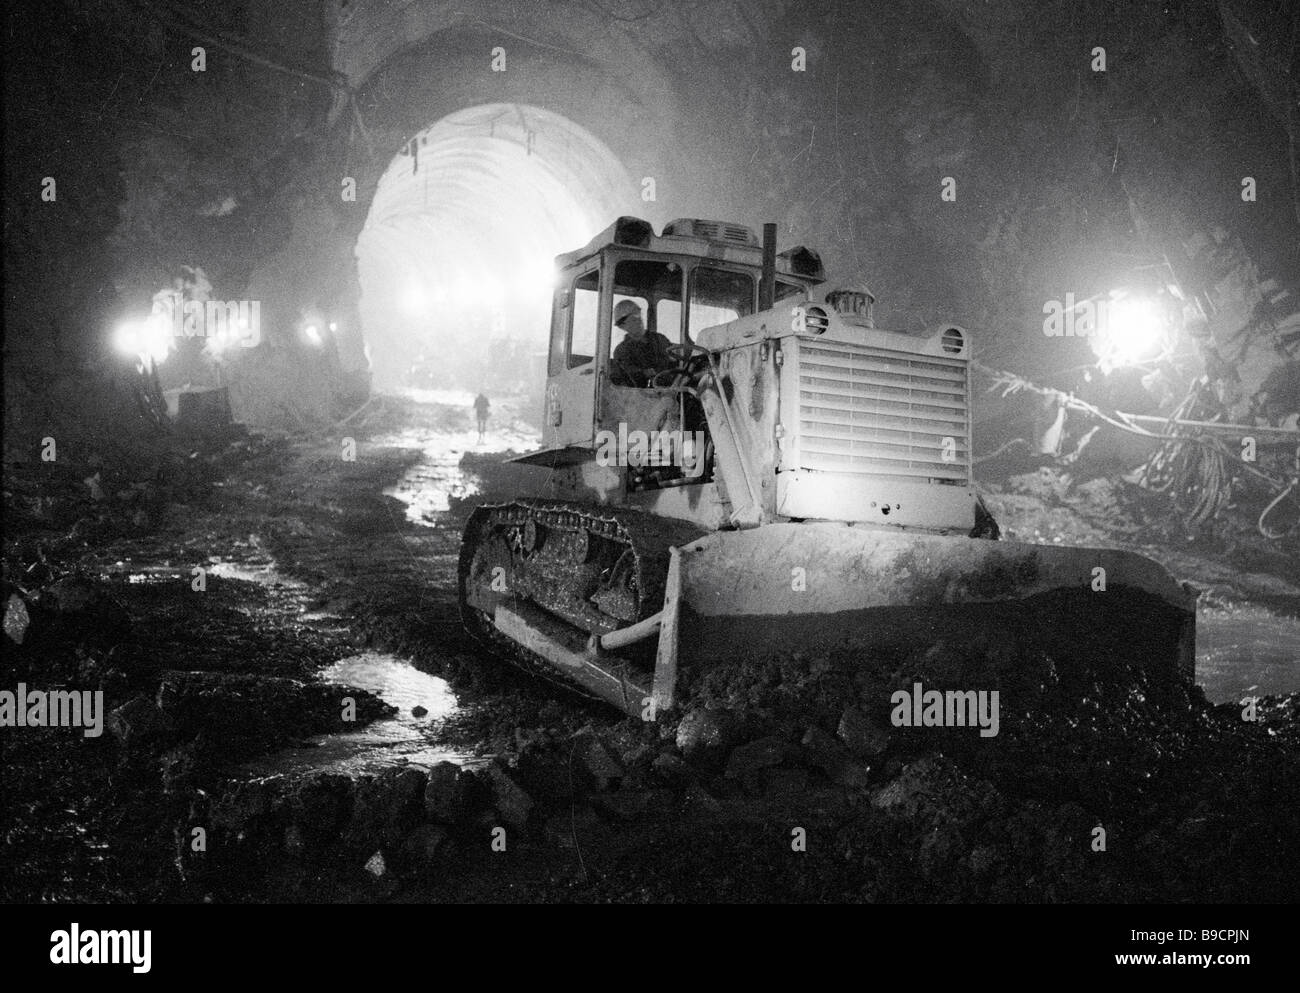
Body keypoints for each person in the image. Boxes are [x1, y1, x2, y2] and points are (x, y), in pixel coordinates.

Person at [610, 299, 675, 388]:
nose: (638, 319)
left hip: (670, 391)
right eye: (632, 318)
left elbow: (675, 362)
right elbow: (627, 379)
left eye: (638, 314)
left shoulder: (661, 339)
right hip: (640, 396)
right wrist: (644, 373)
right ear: (622, 326)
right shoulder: (621, 351)